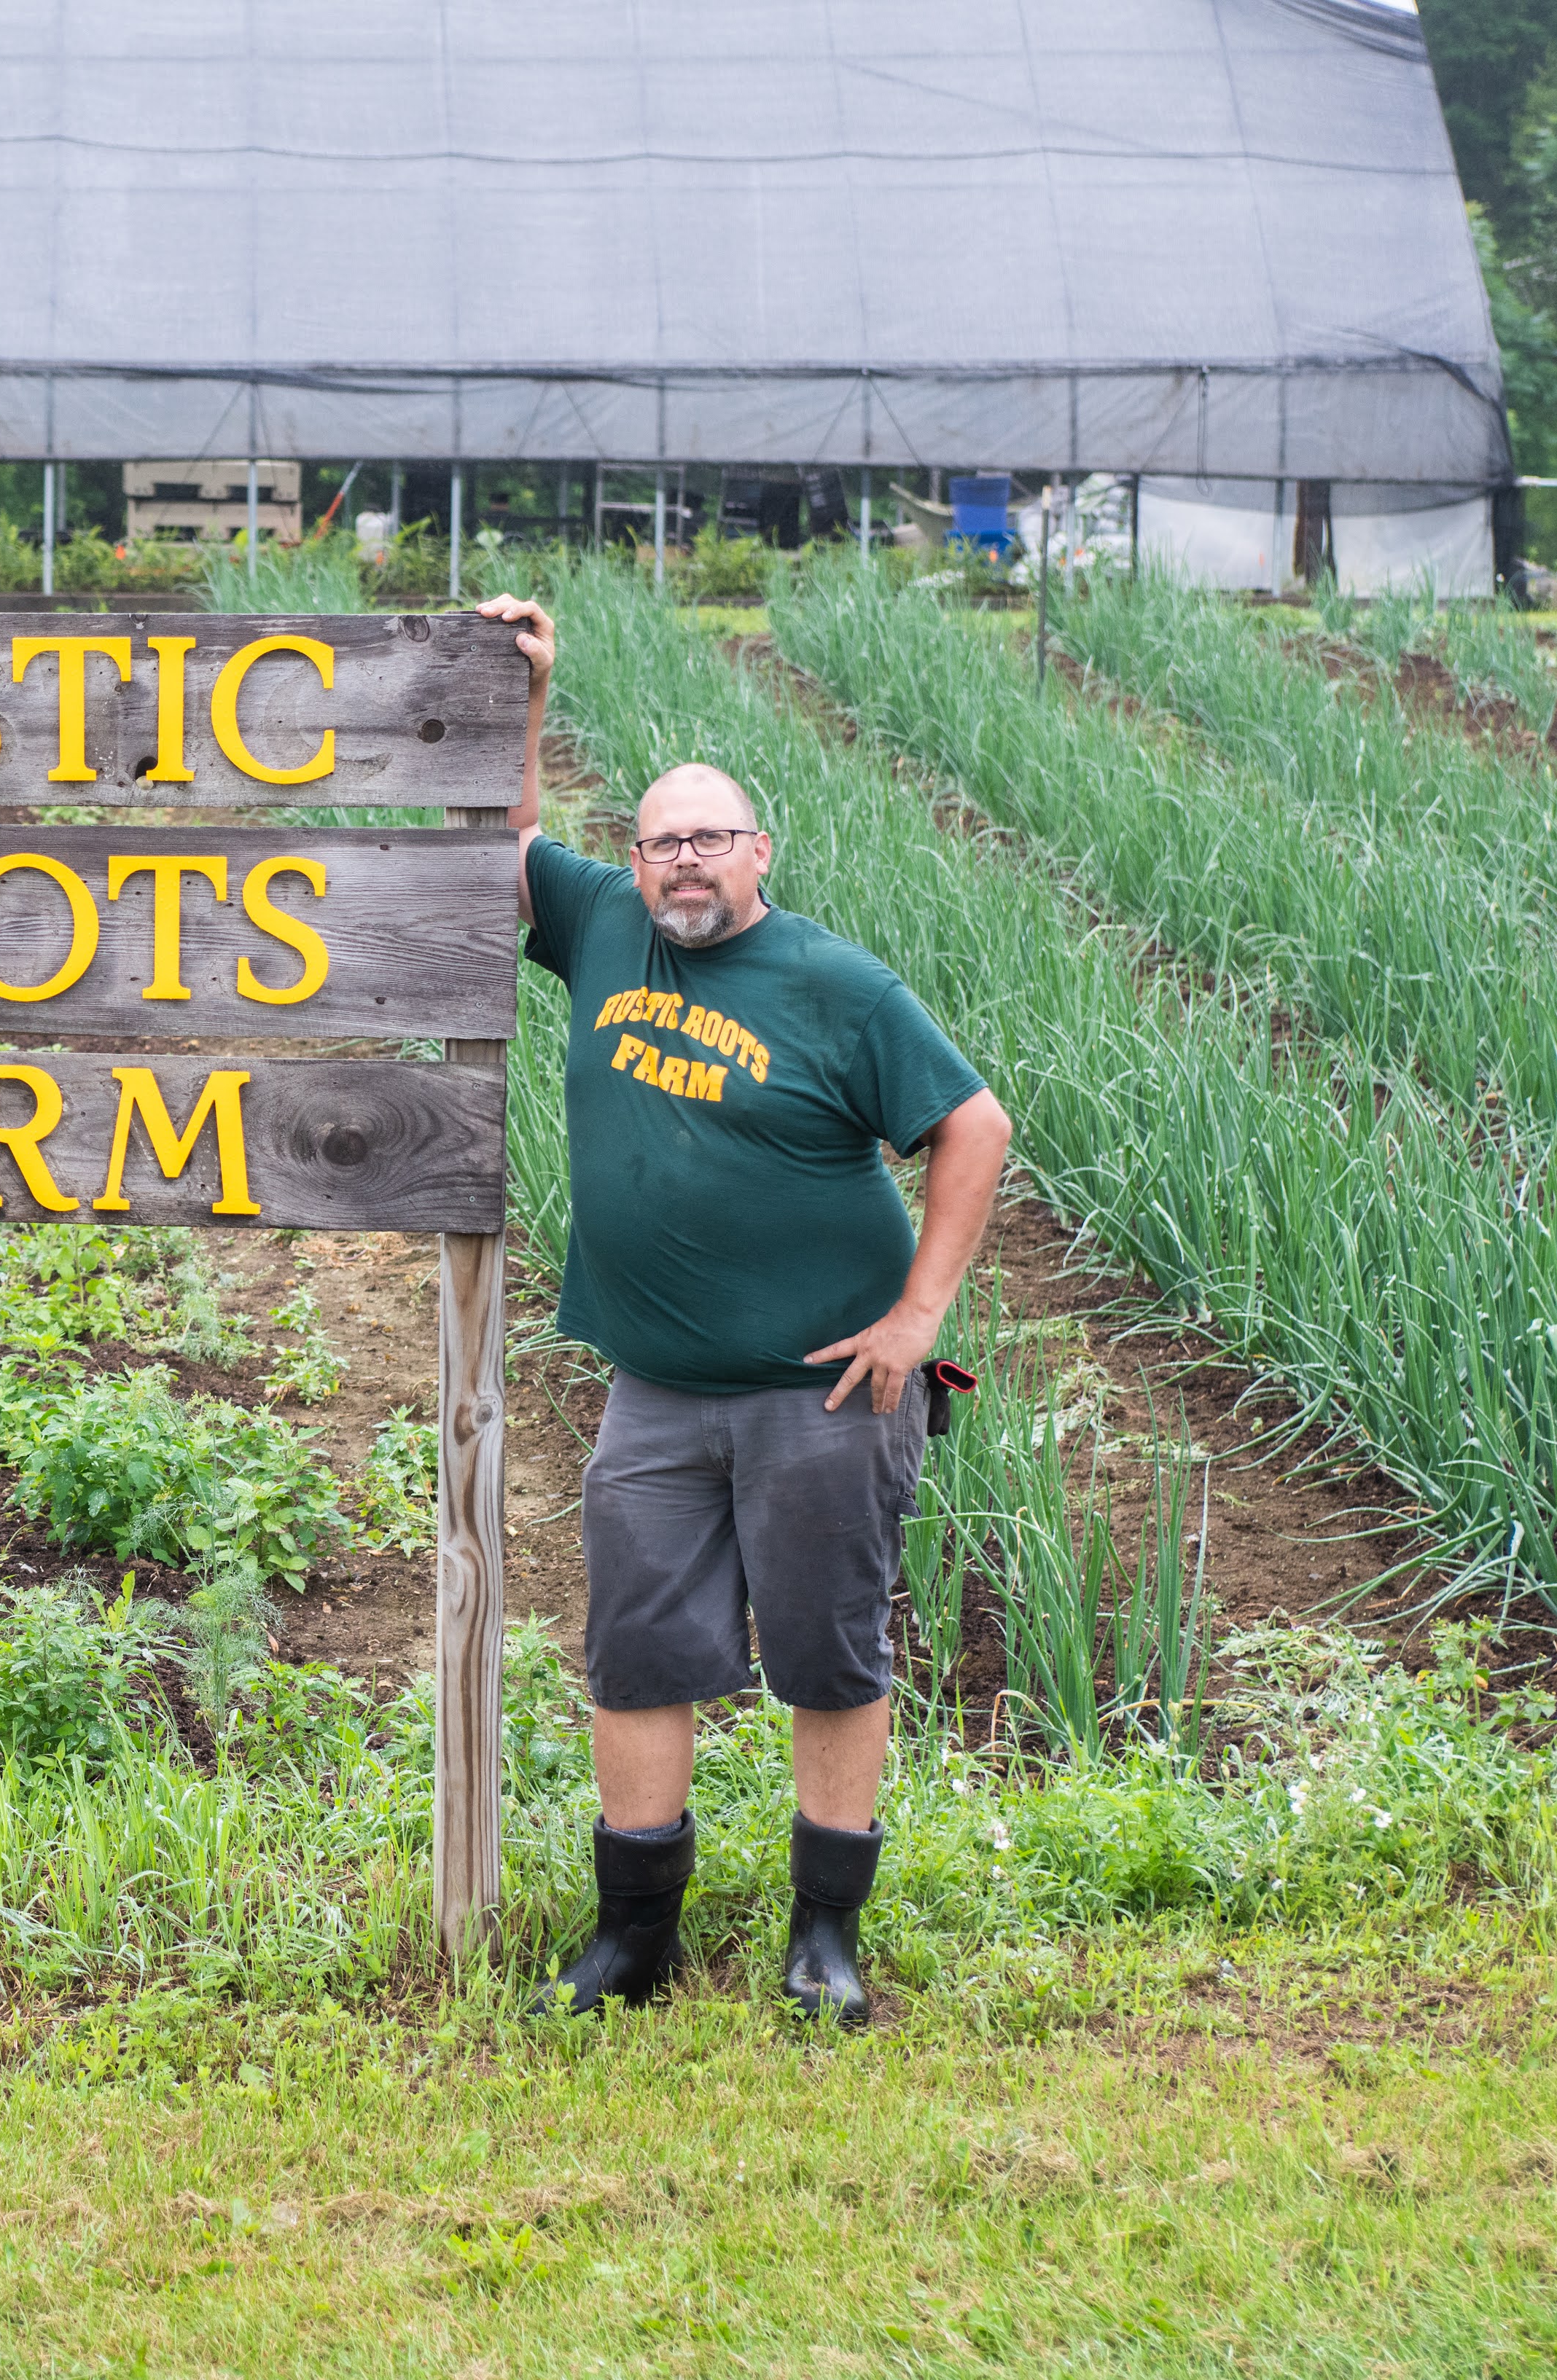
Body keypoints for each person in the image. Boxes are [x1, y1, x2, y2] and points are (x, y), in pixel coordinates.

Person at [477, 595, 1012, 2027]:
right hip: (654, 1388)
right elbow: (504, 846)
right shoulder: (603, 924)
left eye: (709, 837)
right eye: (661, 840)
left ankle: (823, 1941)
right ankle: (632, 1942)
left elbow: (972, 1124)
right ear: (635, 860)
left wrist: (916, 1316)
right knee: (636, 1653)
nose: (683, 861)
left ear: (758, 851)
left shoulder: (834, 985)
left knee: (828, 1657)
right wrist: (530, 694)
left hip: (820, 1390)